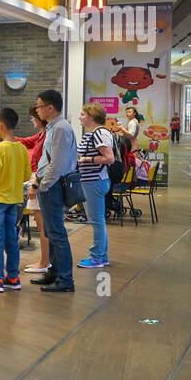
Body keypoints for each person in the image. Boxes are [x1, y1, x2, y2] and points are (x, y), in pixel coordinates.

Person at [0, 108, 32, 293]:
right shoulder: (21, 148)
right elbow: (27, 174)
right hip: (15, 199)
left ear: (1, 125)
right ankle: (13, 277)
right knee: (11, 238)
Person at [31, 90, 77, 293]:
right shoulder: (54, 127)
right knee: (50, 231)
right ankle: (55, 271)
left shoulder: (60, 128)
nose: (37, 109)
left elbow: (57, 163)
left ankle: (65, 279)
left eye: (39, 105)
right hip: (48, 184)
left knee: (57, 233)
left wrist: (44, 183)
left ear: (50, 107)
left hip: (52, 185)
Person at [76, 102, 115, 269]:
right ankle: (101, 255)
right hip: (92, 181)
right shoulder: (93, 134)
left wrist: (87, 160)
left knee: (97, 221)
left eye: (83, 114)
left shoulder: (99, 134)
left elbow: (109, 158)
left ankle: (97, 257)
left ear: (92, 116)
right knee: (97, 220)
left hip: (95, 181)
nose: (80, 117)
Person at [14, 105, 50, 274]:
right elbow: (26, 141)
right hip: (38, 180)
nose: (32, 120)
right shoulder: (42, 134)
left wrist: (34, 184)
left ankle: (44, 262)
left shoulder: (47, 135)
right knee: (42, 224)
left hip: (39, 181)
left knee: (43, 225)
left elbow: (46, 164)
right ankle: (44, 260)